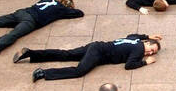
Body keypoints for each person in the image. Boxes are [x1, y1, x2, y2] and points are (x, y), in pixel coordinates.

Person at [0, 0, 84, 58]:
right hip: (31, 21)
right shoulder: (62, 10)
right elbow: (79, 13)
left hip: (22, 12)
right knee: (14, 34)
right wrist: (69, 7)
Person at [19, 33, 161, 82]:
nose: (149, 53)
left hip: (96, 46)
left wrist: (147, 36)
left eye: (151, 53)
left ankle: (31, 54)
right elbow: (129, 65)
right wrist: (145, 63)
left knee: (66, 54)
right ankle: (43, 73)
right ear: (146, 44)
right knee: (79, 71)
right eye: (151, 49)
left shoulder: (136, 41)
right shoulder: (139, 49)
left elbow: (132, 35)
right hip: (98, 54)